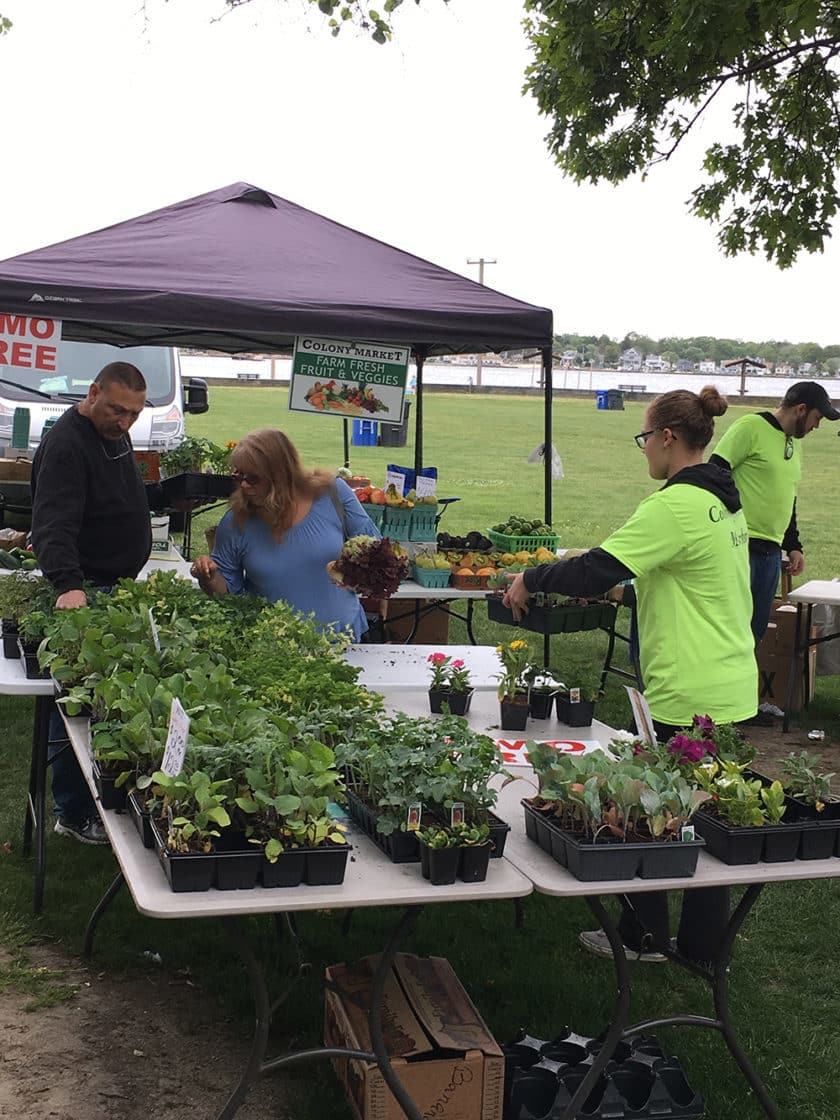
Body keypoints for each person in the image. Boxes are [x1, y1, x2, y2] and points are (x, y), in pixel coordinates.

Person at [504, 386, 756, 964]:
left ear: (669, 438)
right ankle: (691, 946)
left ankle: (649, 940)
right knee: (700, 814)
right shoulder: (724, 499)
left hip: (690, 690)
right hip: (729, 678)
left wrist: (532, 578)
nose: (643, 451)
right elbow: (682, 573)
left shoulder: (676, 505)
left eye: (645, 439)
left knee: (662, 813)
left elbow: (597, 568)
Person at [31, 361, 169, 844]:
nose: (125, 421)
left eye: (134, 413)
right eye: (116, 410)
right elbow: (52, 520)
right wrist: (69, 584)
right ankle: (71, 811)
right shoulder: (69, 443)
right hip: (87, 591)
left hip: (114, 587)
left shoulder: (113, 433)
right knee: (79, 707)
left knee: (105, 705)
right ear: (92, 393)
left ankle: (88, 802)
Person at [190, 428, 380, 641]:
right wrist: (209, 576)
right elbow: (229, 597)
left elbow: (376, 549)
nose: (243, 485)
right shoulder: (236, 522)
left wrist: (356, 573)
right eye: (238, 476)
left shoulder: (333, 493)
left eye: (252, 478)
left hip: (344, 640)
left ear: (281, 475)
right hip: (275, 650)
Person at [710, 381, 839, 642]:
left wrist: (793, 545)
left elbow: (787, 496)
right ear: (801, 409)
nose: (817, 426)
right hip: (739, 546)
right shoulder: (749, 427)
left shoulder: (795, 444)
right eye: (817, 418)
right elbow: (715, 471)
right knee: (728, 630)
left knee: (754, 634)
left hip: (771, 553)